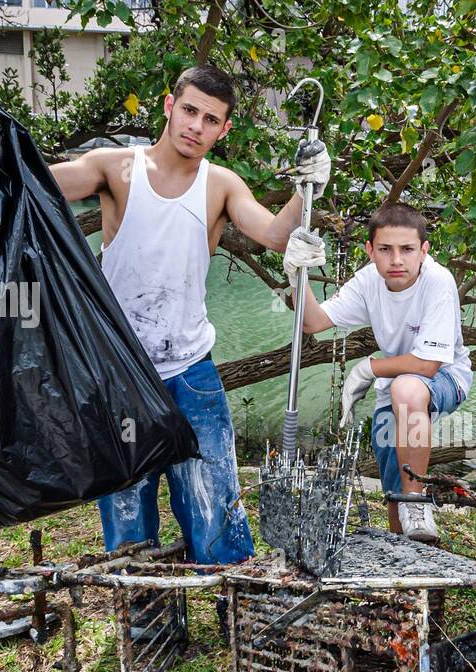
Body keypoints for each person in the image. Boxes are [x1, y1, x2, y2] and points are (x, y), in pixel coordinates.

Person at [49, 64, 331, 563]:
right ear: (169, 106)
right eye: (190, 110)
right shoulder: (114, 167)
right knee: (127, 509)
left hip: (191, 370)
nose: (196, 126)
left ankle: (233, 607)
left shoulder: (220, 184)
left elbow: (272, 235)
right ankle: (141, 614)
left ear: (224, 130)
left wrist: (306, 189)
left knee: (215, 503)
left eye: (210, 119)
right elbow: (37, 185)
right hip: (121, 374)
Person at [284, 203, 473, 543]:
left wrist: (367, 367)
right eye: (385, 249)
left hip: (447, 378)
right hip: (396, 387)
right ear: (370, 250)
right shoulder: (369, 280)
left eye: (407, 249)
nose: (396, 260)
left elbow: (428, 365)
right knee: (393, 476)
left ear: (424, 251)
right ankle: (405, 545)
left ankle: (417, 503)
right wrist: (297, 276)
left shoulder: (438, 281)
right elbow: (313, 322)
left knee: (407, 390)